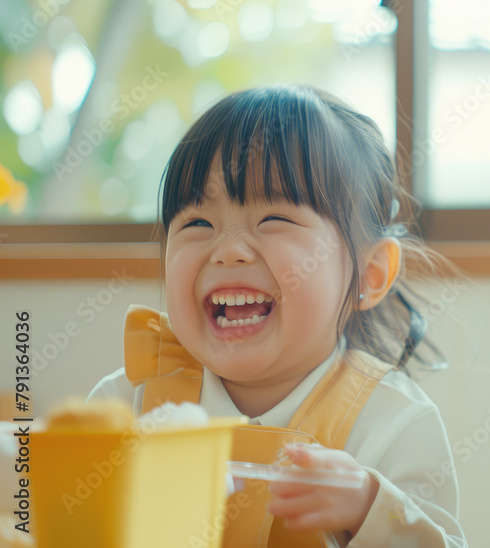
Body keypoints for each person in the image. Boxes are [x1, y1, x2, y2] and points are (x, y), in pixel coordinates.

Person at [89, 85, 466, 547]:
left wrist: (368, 508)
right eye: (197, 223)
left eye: (274, 220)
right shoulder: (125, 402)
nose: (228, 250)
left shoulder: (395, 422)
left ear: (369, 274)